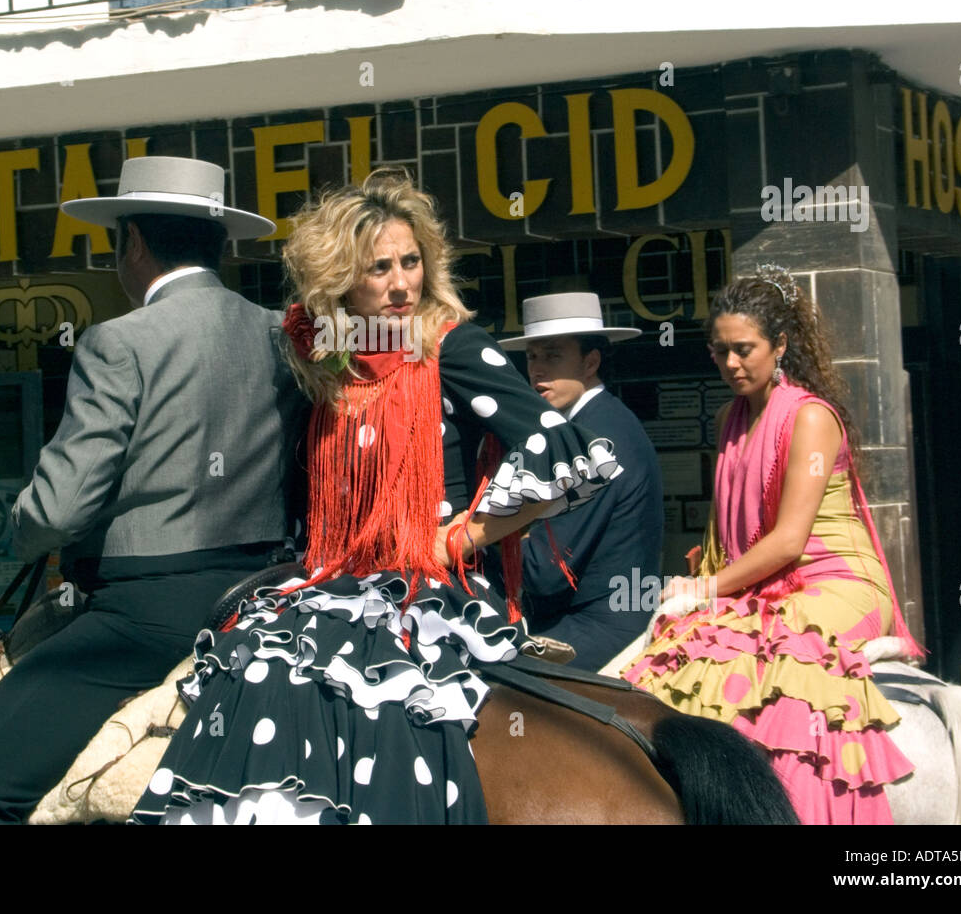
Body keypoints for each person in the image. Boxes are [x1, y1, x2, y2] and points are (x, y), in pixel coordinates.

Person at [130, 168, 623, 824]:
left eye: (411, 262)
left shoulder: (451, 344)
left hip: (431, 593)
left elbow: (568, 455)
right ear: (342, 280)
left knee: (351, 693)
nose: (400, 284)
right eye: (378, 267)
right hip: (333, 580)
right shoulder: (327, 355)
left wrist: (458, 538)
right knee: (254, 664)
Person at [0, 156, 307, 824]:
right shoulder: (281, 335)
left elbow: (60, 508)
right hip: (265, 596)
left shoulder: (118, 342)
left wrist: (19, 522)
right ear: (217, 244)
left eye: (115, 244)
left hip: (144, 618)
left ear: (132, 244)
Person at [622, 264, 919, 825]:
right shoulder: (726, 419)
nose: (730, 364)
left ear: (780, 345)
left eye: (744, 349)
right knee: (674, 654)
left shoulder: (811, 418)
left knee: (786, 665)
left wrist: (705, 588)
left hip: (838, 585)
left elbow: (787, 542)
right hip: (764, 586)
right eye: (718, 351)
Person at [495, 293, 662, 670]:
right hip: (586, 617)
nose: (537, 371)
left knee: (487, 688)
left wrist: (483, 532)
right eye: (532, 357)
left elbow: (545, 570)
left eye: (553, 356)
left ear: (591, 361)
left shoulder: (595, 437)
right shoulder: (591, 423)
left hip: (602, 624)